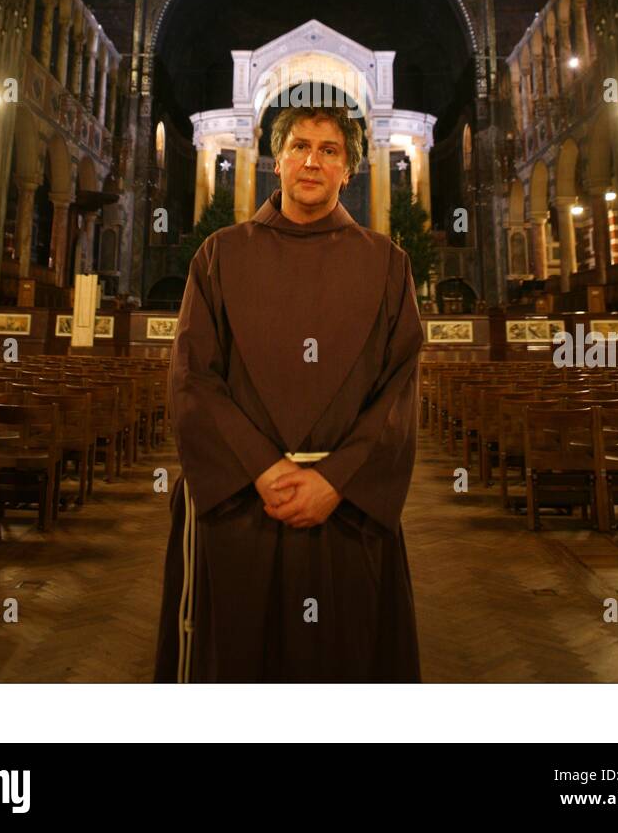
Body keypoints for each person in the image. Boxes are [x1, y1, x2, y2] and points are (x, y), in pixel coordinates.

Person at [153, 105, 424, 682]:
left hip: (346, 508)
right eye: (300, 146)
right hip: (242, 506)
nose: (312, 160)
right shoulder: (220, 254)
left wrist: (333, 479)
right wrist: (263, 469)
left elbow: (399, 391)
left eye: (330, 151)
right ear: (277, 161)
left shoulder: (388, 264)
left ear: (348, 170)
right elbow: (192, 377)